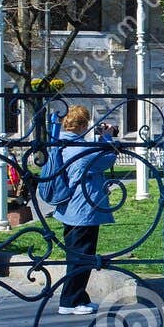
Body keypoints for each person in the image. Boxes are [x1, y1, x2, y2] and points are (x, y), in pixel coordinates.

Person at [38, 104, 117, 315]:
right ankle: (69, 301)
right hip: (83, 210)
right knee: (82, 257)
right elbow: (107, 159)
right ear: (82, 124)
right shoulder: (81, 149)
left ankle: (79, 297)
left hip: (69, 211)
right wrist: (107, 137)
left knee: (76, 256)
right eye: (87, 123)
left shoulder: (61, 144)